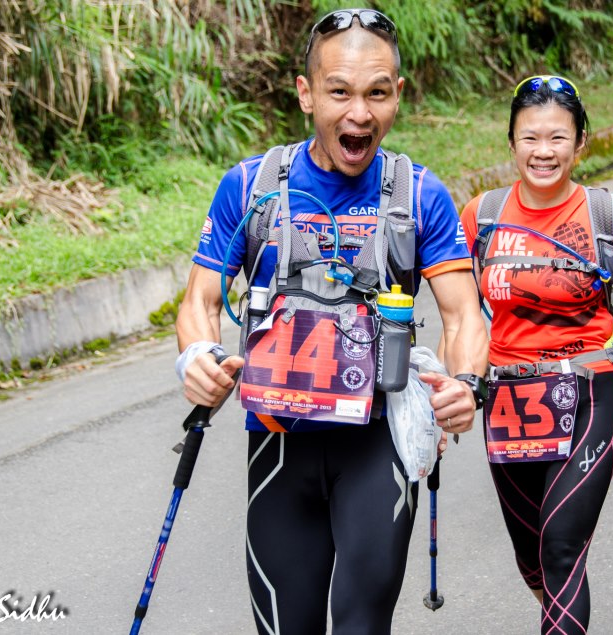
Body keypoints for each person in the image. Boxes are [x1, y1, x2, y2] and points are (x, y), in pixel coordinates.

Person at [174, 8, 488, 635]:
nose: (359, 114)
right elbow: (201, 300)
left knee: (361, 625)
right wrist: (197, 359)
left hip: (377, 446)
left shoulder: (418, 194)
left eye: (378, 93)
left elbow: (463, 315)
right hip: (278, 447)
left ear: (398, 94)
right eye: (340, 92)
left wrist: (466, 384)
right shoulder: (252, 186)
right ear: (306, 93)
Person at [459, 75, 613, 634]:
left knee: (562, 547)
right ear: (511, 142)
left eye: (557, 138)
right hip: (508, 400)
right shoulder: (482, 215)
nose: (543, 151)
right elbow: (464, 318)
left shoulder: (608, 216)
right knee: (533, 559)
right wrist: (456, 386)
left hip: (590, 388)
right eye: (530, 138)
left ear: (580, 142)